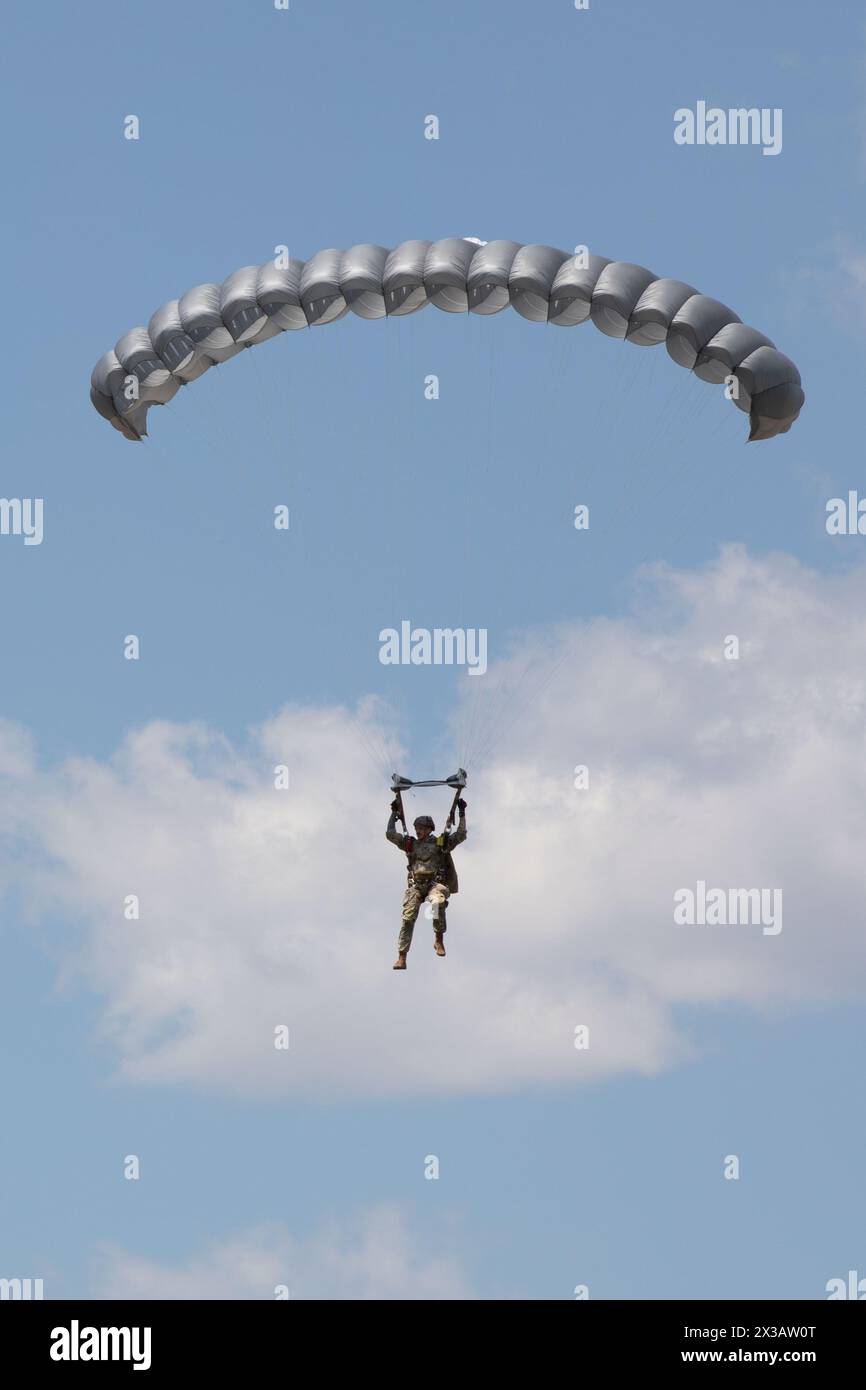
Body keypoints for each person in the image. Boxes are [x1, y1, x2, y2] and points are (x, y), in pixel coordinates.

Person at [386, 798, 467, 969]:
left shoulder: (439, 844)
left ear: (430, 829)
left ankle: (438, 940)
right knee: (408, 918)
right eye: (416, 828)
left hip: (434, 885)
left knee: (436, 904)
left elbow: (460, 835)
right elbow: (390, 834)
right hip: (416, 886)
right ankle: (402, 956)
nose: (418, 831)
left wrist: (461, 814)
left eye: (422, 828)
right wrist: (394, 814)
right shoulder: (411, 844)